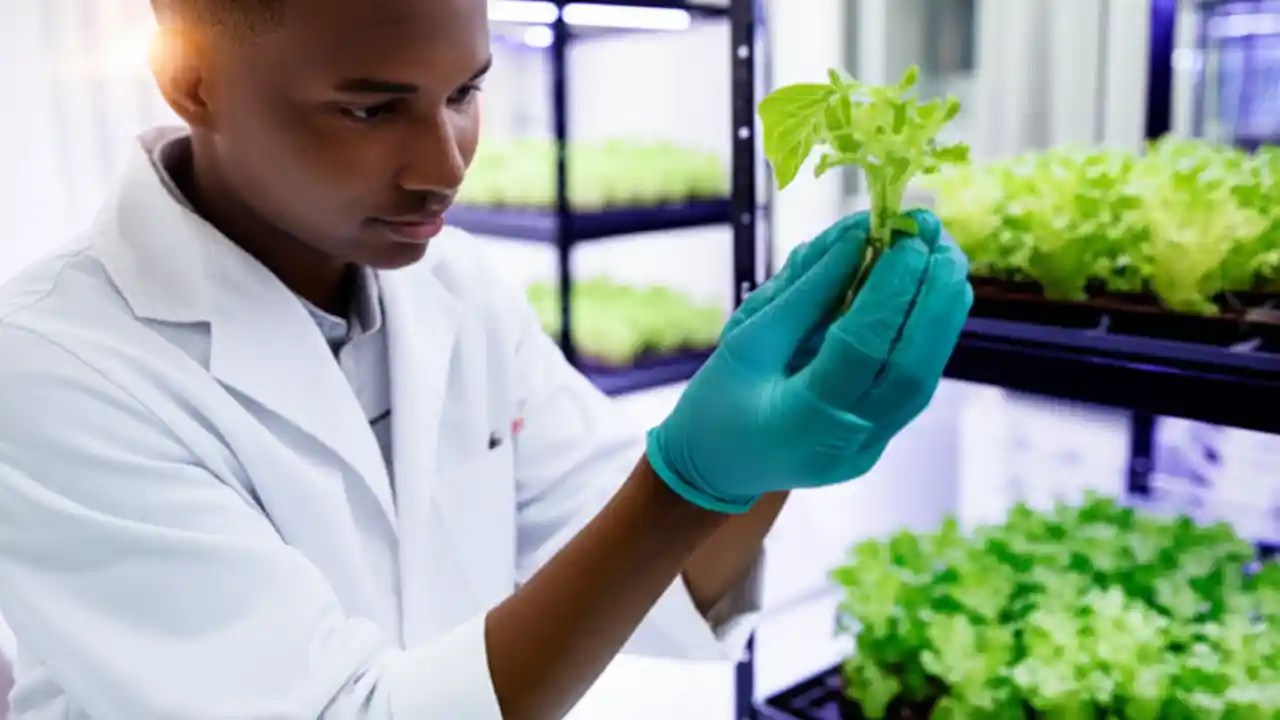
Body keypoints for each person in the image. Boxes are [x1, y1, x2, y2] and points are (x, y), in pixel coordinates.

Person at [0, 0, 972, 718]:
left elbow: (648, 585)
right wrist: (686, 482)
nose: (445, 163)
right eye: (370, 110)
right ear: (192, 83)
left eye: (465, 92)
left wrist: (773, 447)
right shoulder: (53, 365)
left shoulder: (453, 287)